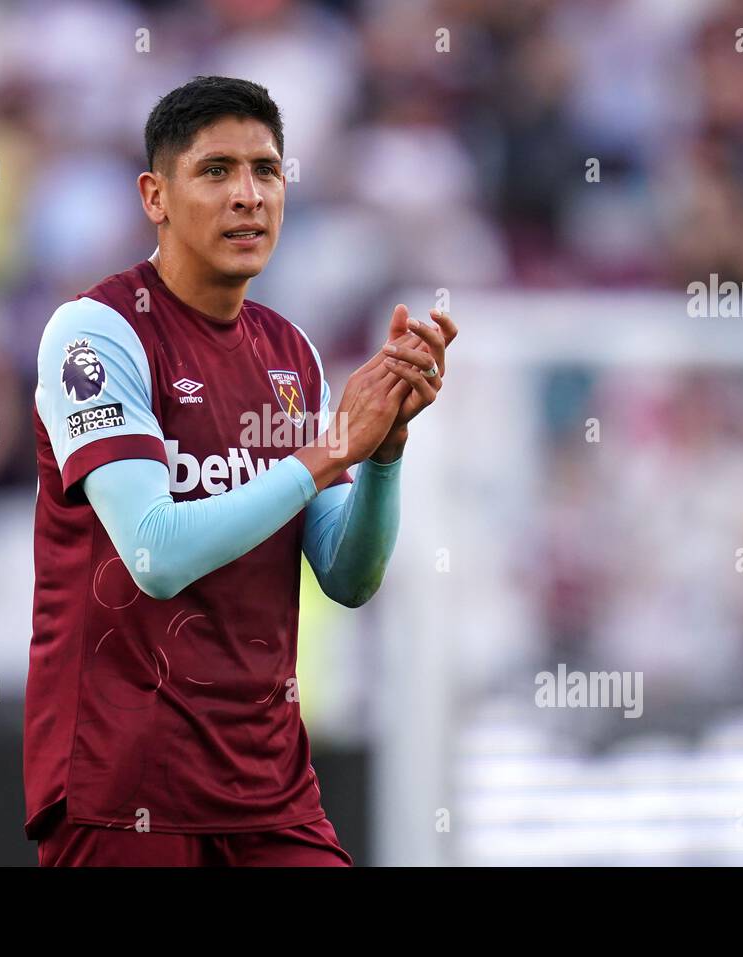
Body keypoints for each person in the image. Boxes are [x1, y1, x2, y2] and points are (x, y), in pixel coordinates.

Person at [25, 75, 456, 866]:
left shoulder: (291, 355)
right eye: (217, 171)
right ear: (155, 195)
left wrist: (383, 453)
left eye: (266, 171)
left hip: (270, 790)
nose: (249, 195)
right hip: (125, 787)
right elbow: (154, 554)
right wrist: (331, 450)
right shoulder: (97, 333)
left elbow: (348, 575)